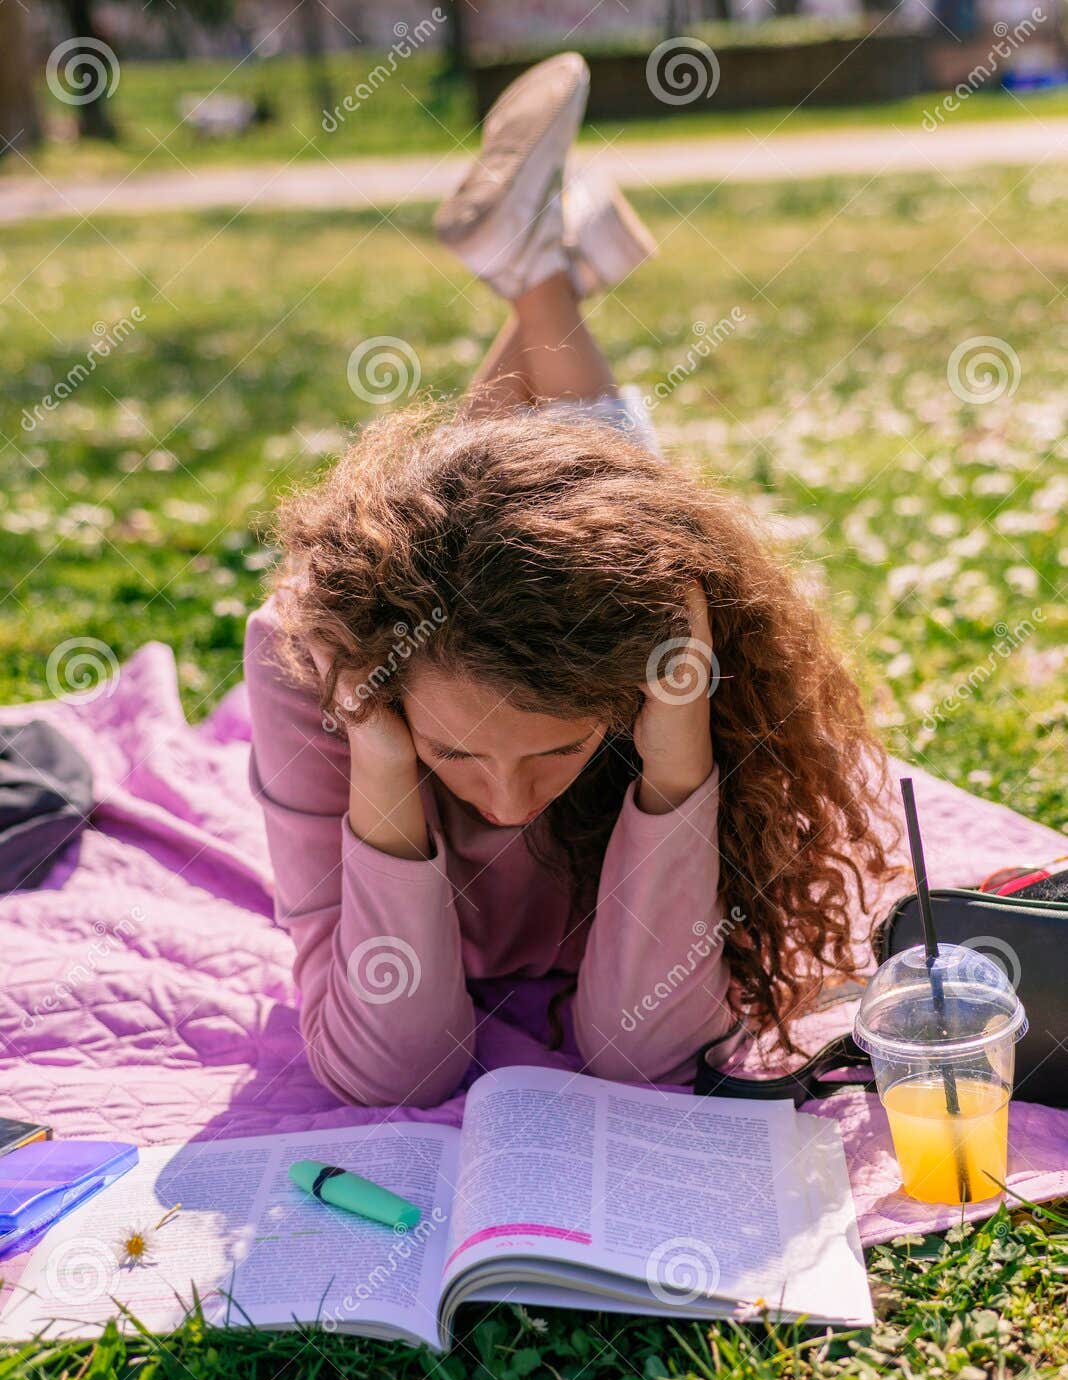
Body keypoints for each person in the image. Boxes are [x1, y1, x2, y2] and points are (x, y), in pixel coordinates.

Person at [244, 54, 892, 1110]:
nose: (505, 800)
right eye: (456, 750)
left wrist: (676, 743)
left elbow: (645, 1051)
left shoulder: (669, 656)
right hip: (409, 623)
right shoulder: (307, 660)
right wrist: (384, 760)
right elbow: (389, 1070)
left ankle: (546, 271)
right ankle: (548, 272)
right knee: (558, 503)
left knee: (581, 521)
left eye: (555, 748)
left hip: (570, 604)